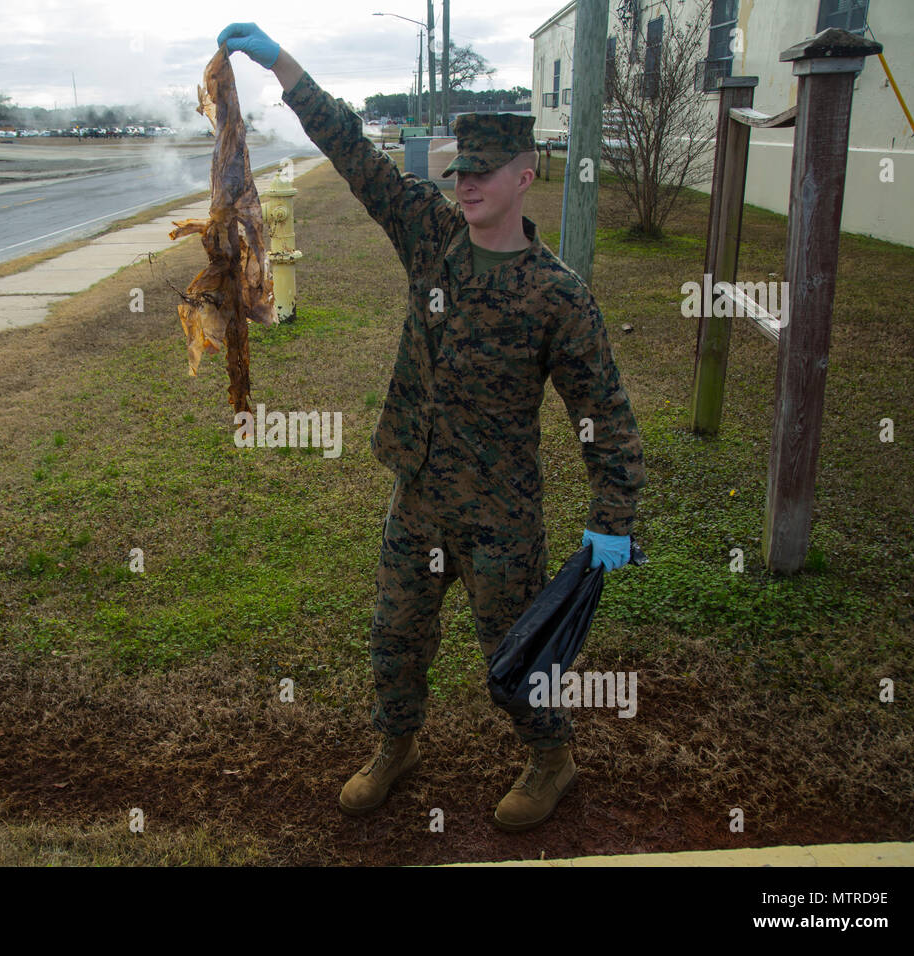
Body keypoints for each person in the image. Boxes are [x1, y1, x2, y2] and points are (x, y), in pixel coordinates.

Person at [217, 23, 646, 832]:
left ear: (526, 176)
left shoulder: (557, 295)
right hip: (418, 495)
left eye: (483, 174)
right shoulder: (431, 237)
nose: (467, 185)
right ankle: (397, 746)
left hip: (500, 512)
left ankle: (553, 759)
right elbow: (353, 151)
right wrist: (280, 63)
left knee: (515, 656)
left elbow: (604, 415)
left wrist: (613, 517)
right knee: (396, 635)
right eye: (461, 172)